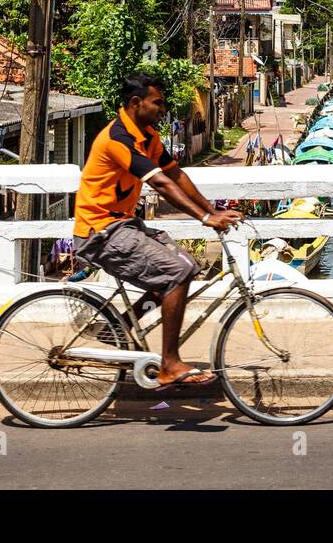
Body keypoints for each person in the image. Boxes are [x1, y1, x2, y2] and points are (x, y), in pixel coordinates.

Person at [72, 71, 243, 388]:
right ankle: (170, 364)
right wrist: (205, 221)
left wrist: (213, 210)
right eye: (158, 103)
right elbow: (161, 184)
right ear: (136, 103)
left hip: (122, 226)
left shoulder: (147, 136)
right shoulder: (118, 139)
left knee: (188, 266)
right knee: (176, 272)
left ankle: (120, 328)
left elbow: (175, 174)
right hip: (100, 233)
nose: (163, 109)